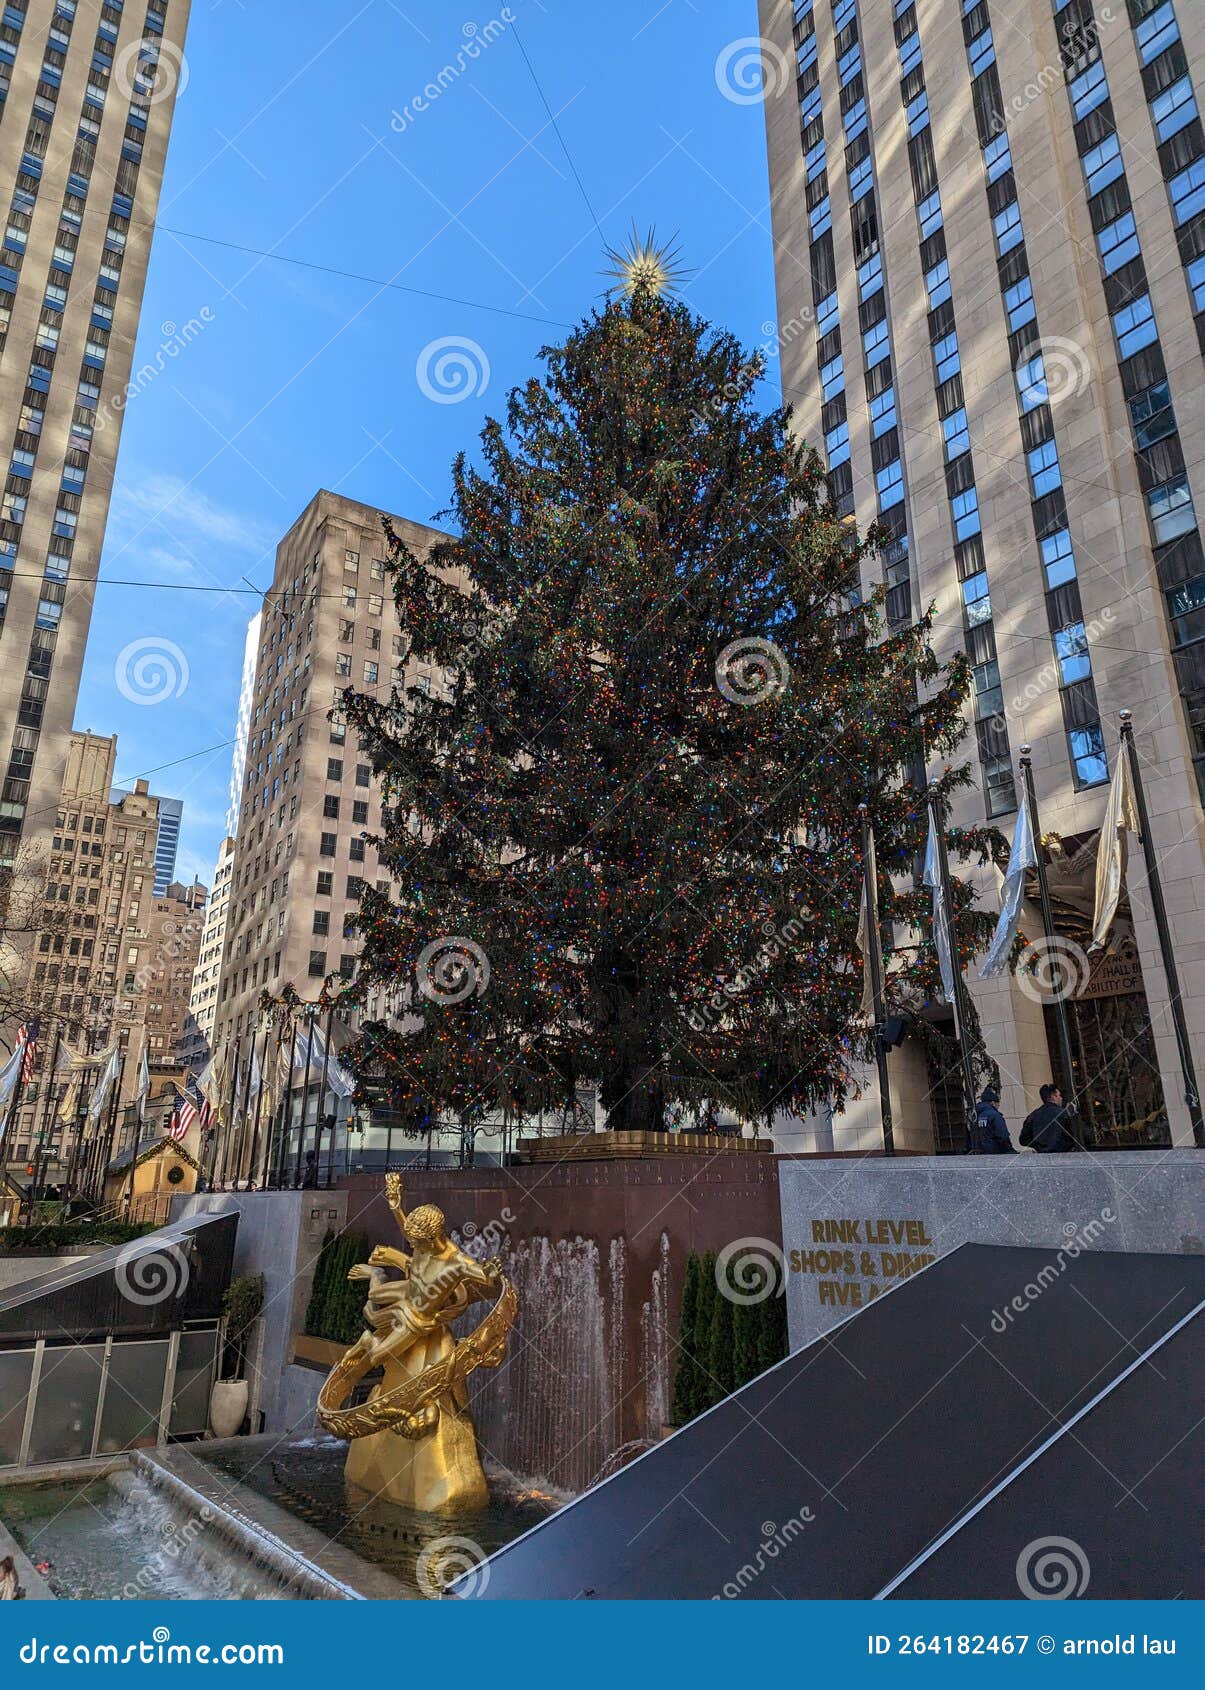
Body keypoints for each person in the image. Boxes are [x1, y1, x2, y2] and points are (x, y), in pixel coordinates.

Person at [1021, 1083, 1078, 1152]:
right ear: (1053, 1096)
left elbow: (1023, 1140)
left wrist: (1039, 1147)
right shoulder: (1064, 1113)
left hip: (1042, 1157)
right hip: (1064, 1156)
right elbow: (1076, 1135)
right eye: (1059, 1095)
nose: (1061, 1098)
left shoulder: (1033, 1115)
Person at [970, 1086, 1014, 1153]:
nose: (998, 1106)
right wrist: (1010, 1151)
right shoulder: (994, 1115)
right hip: (995, 1154)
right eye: (998, 1104)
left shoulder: (975, 1115)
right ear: (993, 1103)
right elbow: (1003, 1136)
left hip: (979, 1154)